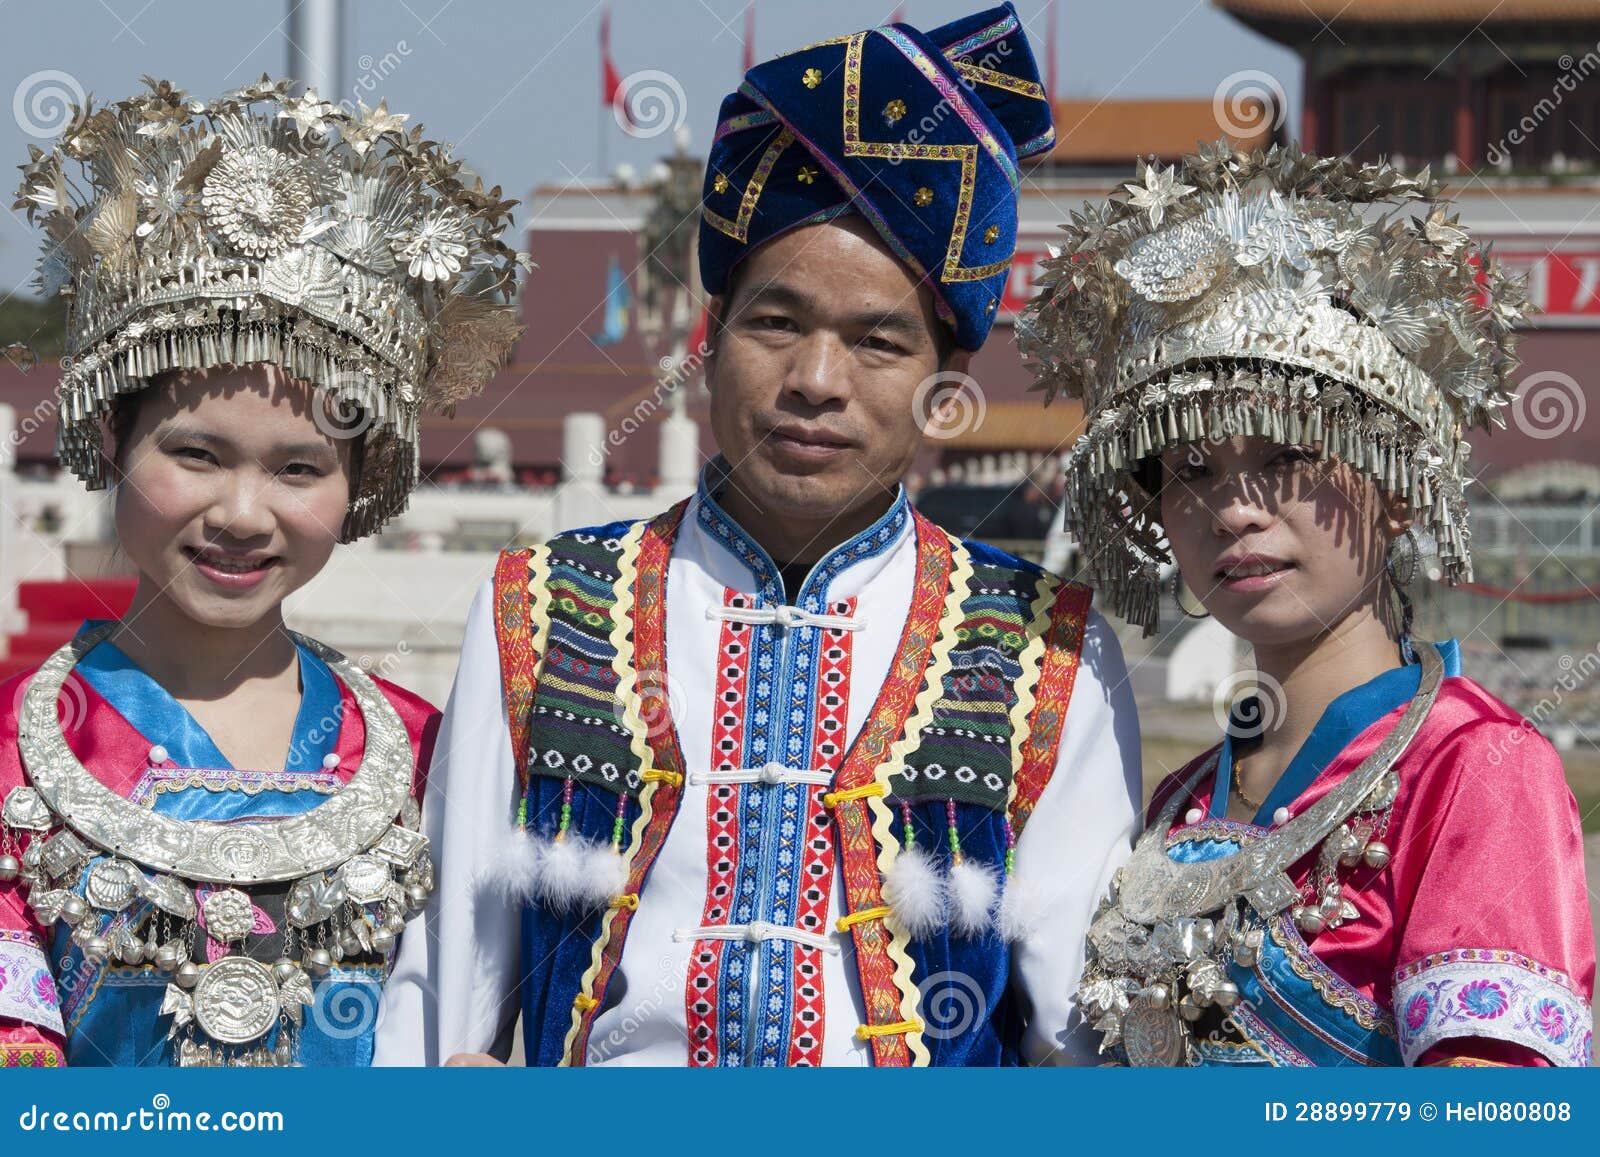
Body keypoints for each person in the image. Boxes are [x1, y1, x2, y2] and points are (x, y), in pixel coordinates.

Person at [377, 3, 1142, 1067]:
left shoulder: (1043, 649)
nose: (814, 383)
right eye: (775, 323)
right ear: (711, 337)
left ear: (945, 385)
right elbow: (441, 1001)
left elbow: (1084, 1047)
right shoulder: (542, 609)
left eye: (877, 341)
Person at [1021, 142, 1595, 1066]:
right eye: (1191, 470)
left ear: (1397, 485)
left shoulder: (1473, 767)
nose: (1234, 508)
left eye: (1286, 454)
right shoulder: (1175, 803)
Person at [0, 76, 526, 1067]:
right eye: (196, 455)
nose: (242, 514)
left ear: (360, 479)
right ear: (113, 436)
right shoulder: (8, 757)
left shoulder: (430, 756)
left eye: (297, 469)